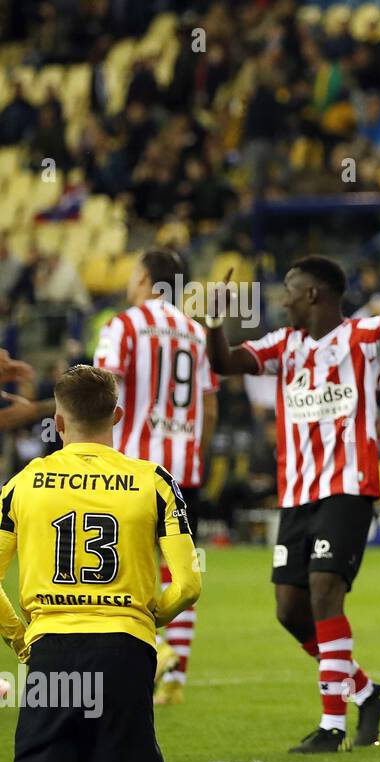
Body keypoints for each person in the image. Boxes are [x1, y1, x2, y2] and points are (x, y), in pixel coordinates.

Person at [204, 217, 380, 752]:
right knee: (289, 610)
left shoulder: (363, 337)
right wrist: (214, 322)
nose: (281, 303)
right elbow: (226, 361)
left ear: (312, 294)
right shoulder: (285, 345)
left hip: (347, 489)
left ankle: (331, 726)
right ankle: (367, 692)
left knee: (326, 593)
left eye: (287, 293)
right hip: (297, 494)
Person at [0, 366, 201, 762]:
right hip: (123, 650)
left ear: (58, 421)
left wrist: (19, 637)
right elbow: (189, 584)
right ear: (118, 415)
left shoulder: (23, 483)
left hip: (50, 649)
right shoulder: (152, 480)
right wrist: (148, 616)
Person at [94, 248, 219, 705]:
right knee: (177, 572)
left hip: (129, 470)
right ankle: (174, 681)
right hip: (182, 471)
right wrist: (195, 458)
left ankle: (158, 649)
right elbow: (209, 404)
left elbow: (98, 390)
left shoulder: (122, 325)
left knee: (119, 569)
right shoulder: (195, 332)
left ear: (144, 277)